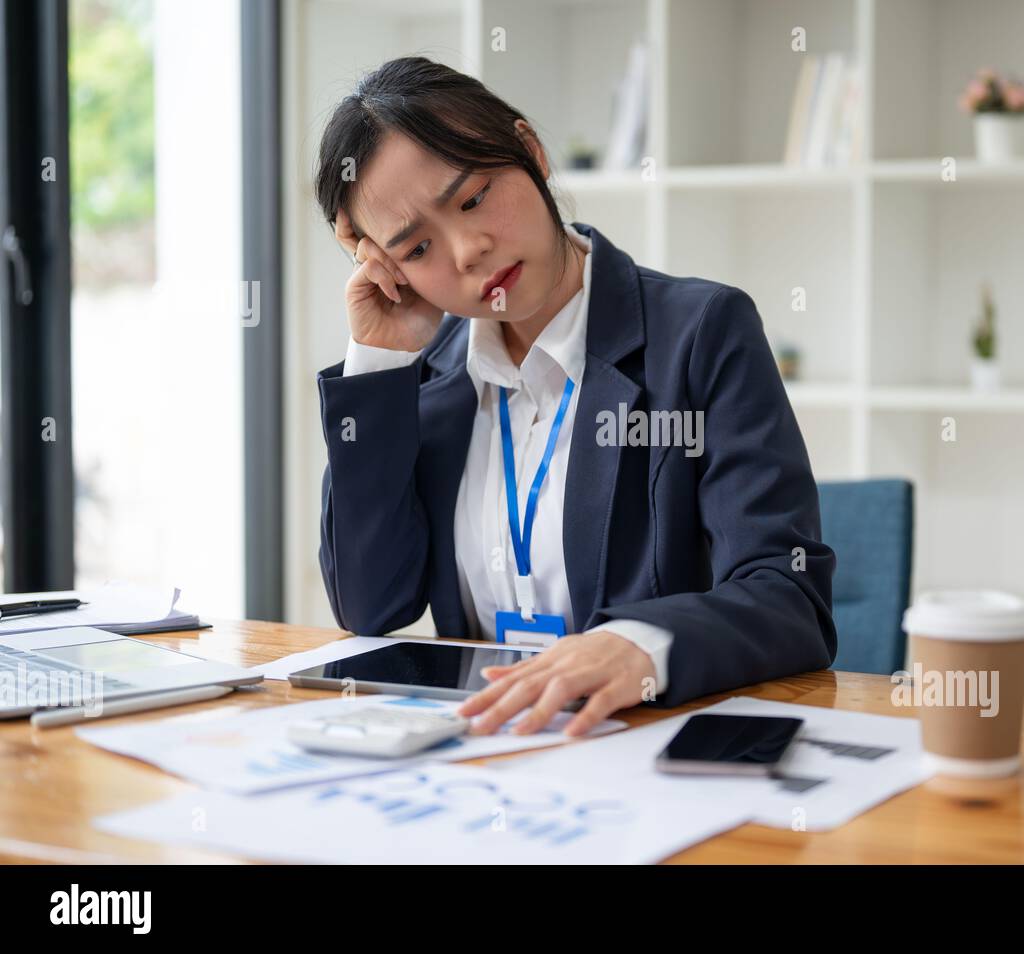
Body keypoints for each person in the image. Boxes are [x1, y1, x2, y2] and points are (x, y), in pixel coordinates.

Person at [313, 56, 835, 738]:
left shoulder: (699, 334)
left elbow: (788, 596)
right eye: (415, 250)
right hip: (487, 757)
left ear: (531, 152)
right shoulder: (426, 376)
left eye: (473, 199)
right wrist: (379, 362)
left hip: (651, 752)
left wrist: (638, 646)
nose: (468, 250)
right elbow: (369, 606)